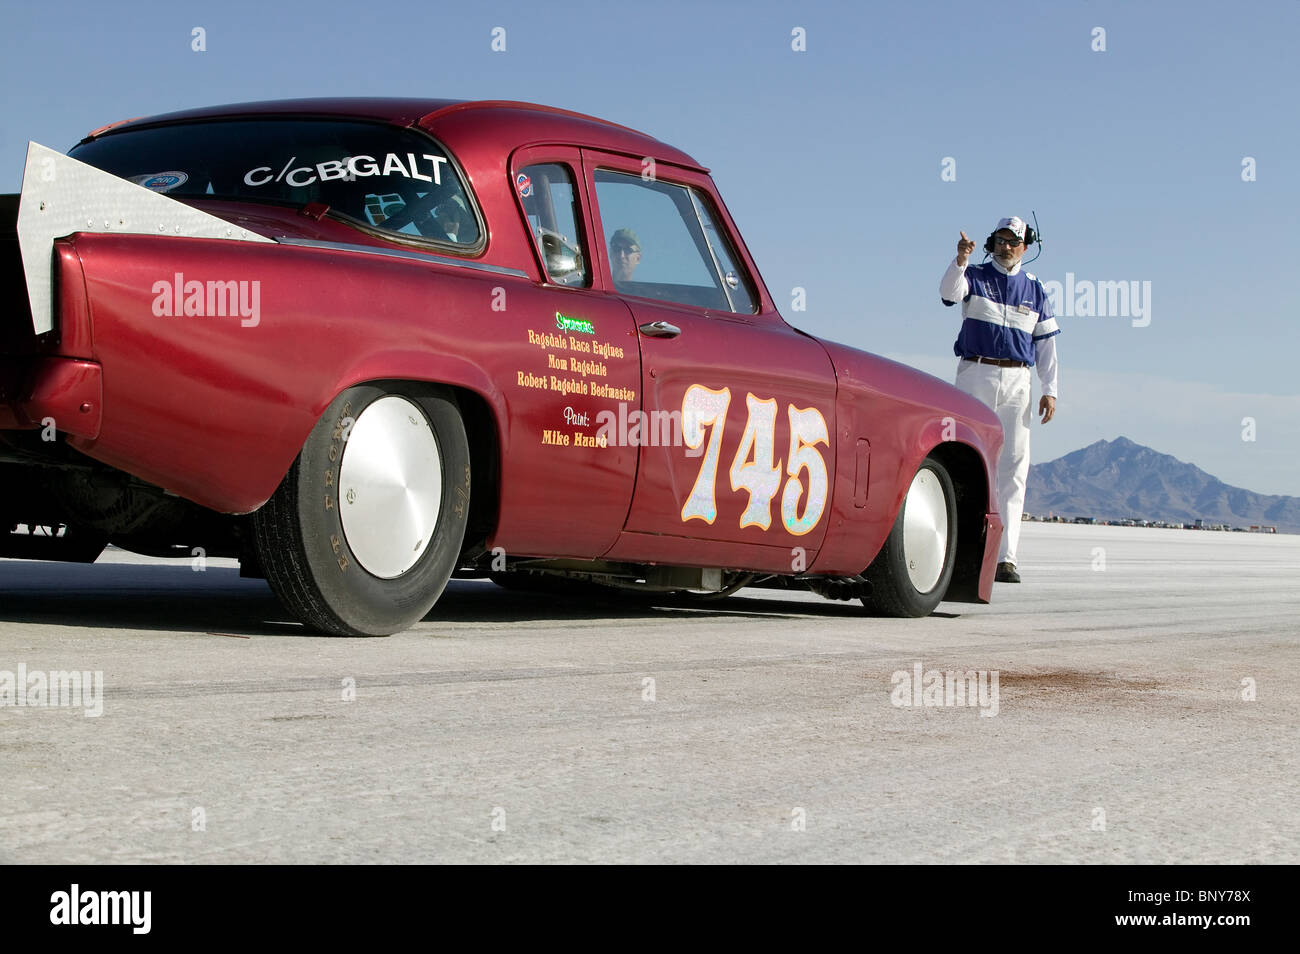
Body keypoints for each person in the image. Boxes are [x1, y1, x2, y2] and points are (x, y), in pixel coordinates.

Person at [940, 216, 1059, 583]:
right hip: (976, 373)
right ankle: (955, 550)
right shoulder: (974, 275)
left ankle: (1006, 558)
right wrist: (960, 260)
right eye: (1001, 240)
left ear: (1026, 247)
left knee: (1013, 467)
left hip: (1018, 382)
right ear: (993, 242)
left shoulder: (1036, 289)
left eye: (1013, 242)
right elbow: (948, 293)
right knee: (965, 457)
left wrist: (1050, 389)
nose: (1006, 247)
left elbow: (1047, 344)